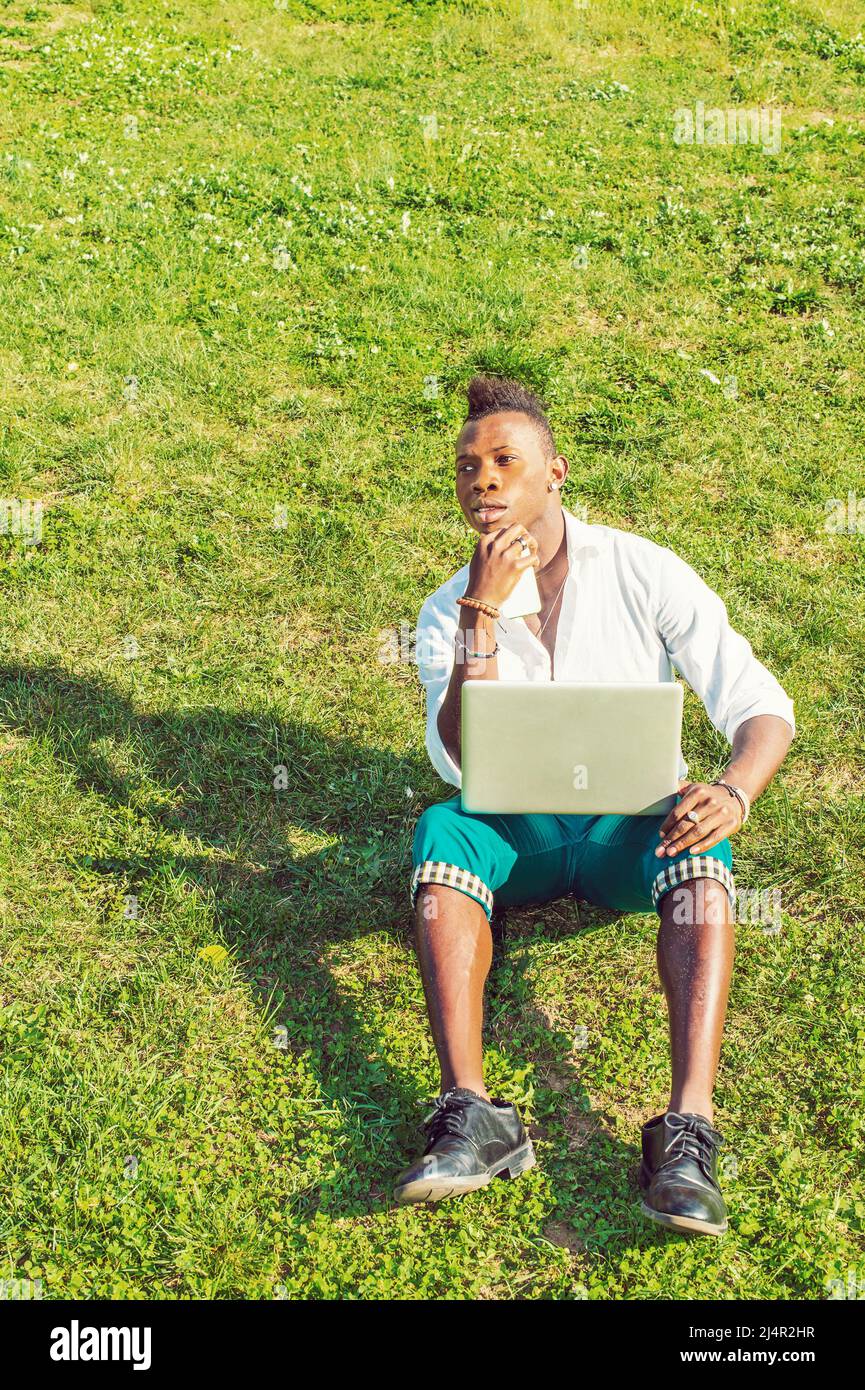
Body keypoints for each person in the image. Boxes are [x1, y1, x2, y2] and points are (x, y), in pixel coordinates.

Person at [394, 375, 795, 1235]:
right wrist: (479, 616)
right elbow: (456, 757)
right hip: (520, 836)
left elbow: (759, 704)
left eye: (504, 461)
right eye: (466, 467)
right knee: (441, 828)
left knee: (700, 841)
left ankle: (687, 1133)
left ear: (555, 472)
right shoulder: (444, 607)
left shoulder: (642, 568)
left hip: (630, 829)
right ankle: (471, 1113)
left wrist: (733, 790)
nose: (482, 479)